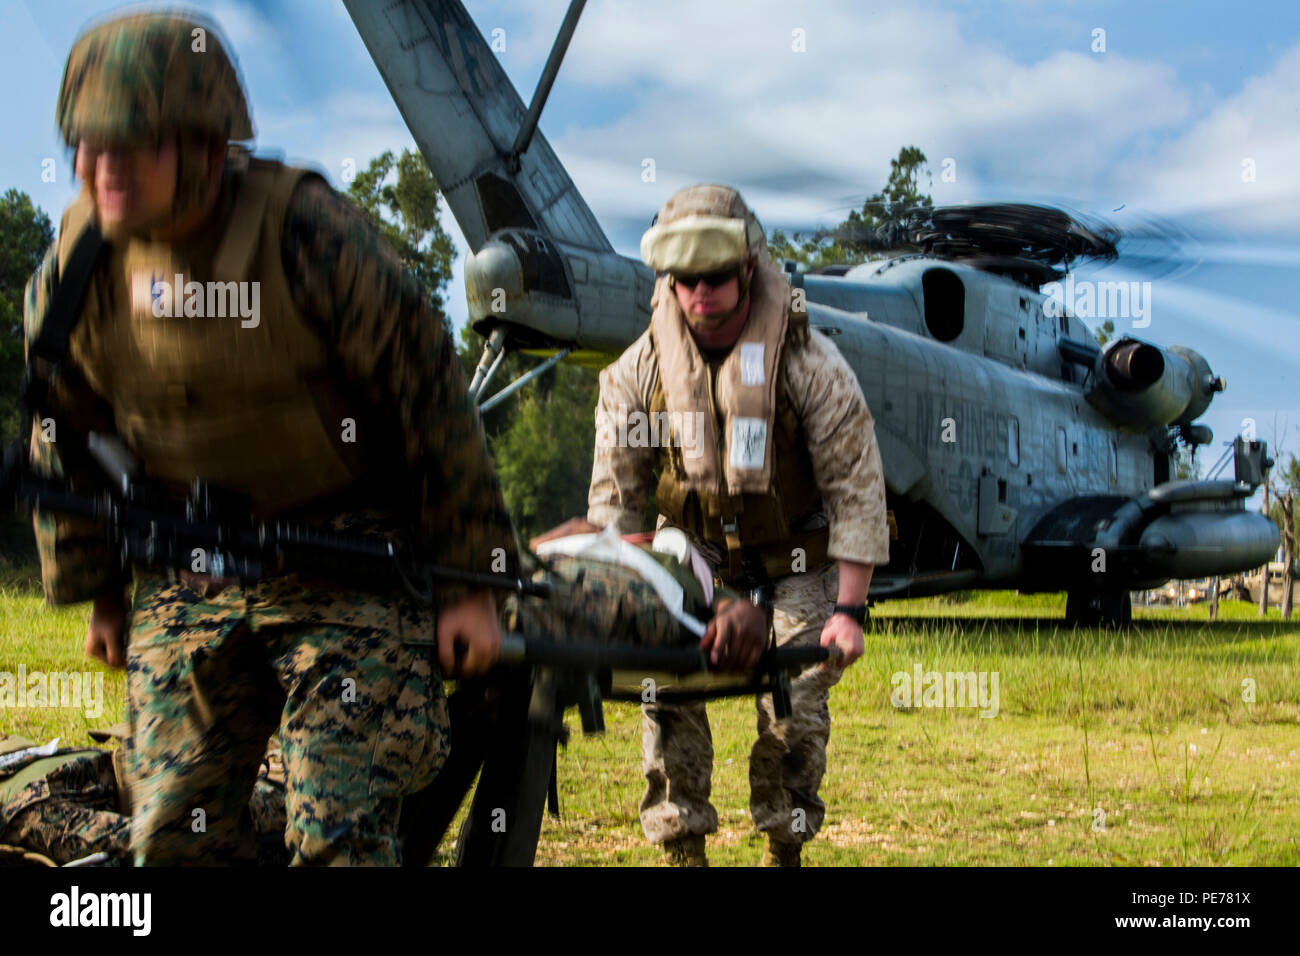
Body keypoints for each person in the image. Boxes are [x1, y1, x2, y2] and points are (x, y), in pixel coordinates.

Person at [22, 10, 515, 865]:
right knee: (170, 835)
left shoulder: (310, 239)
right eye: (85, 146)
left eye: (130, 146)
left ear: (207, 146)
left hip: (349, 559)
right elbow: (62, 434)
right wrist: (98, 589)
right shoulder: (74, 276)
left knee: (336, 830)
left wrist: (471, 586)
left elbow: (432, 397)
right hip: (192, 569)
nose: (99, 172)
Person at [564, 184, 890, 866]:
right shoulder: (637, 374)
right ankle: (683, 848)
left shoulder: (810, 364)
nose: (701, 296)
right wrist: (625, 602)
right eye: (685, 281)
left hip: (798, 555)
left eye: (715, 278)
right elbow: (616, 502)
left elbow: (855, 488)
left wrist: (850, 610)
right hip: (695, 551)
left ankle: (784, 846)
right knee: (666, 684)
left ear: (747, 271)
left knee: (795, 698)